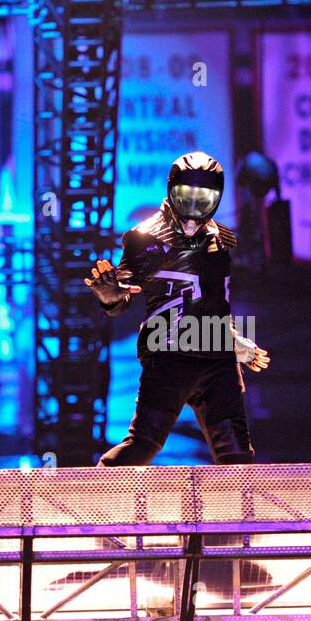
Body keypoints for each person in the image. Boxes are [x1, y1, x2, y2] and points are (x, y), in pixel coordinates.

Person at [85, 151, 270, 467]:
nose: (193, 210)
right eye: (187, 197)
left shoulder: (222, 240)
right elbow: (124, 294)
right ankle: (101, 505)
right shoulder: (144, 239)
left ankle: (242, 517)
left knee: (237, 455)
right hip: (168, 353)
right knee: (142, 444)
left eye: (204, 199)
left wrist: (235, 342)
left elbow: (217, 302)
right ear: (172, 192)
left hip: (216, 357)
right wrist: (110, 297)